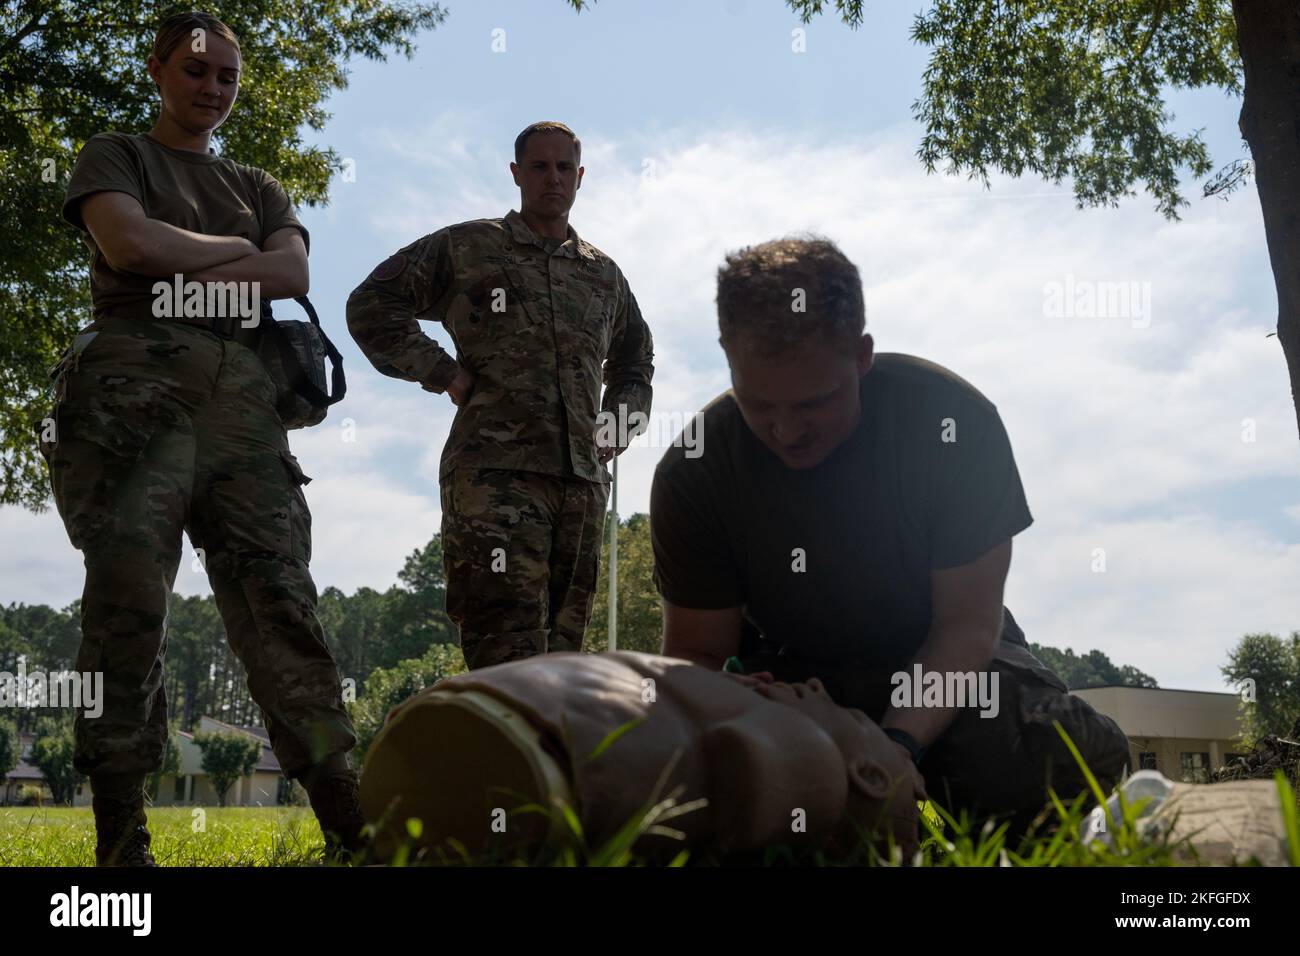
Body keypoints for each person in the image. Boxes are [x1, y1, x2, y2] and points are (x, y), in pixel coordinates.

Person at [650, 236, 1131, 837]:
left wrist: (897, 746)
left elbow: (965, 624)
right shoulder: (695, 470)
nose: (786, 430)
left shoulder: (952, 421)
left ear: (861, 356)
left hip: (941, 662)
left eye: (814, 403)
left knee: (1051, 759)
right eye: (759, 404)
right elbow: (696, 656)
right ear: (727, 358)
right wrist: (755, 714)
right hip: (796, 683)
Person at [43, 11, 363, 865]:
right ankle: (121, 838)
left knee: (281, 603)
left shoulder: (259, 184)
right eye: (196, 71)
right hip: (128, 402)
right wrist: (235, 256)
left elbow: (292, 273)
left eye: (227, 77)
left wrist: (181, 256)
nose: (212, 88)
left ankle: (350, 826)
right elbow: (126, 240)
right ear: (157, 70)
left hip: (244, 412)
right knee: (127, 605)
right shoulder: (116, 155)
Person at [347, 121, 654, 671]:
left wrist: (618, 424)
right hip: (495, 481)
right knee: (504, 657)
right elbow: (372, 303)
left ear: (580, 177)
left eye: (564, 168)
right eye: (539, 167)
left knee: (565, 666)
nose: (552, 179)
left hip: (581, 487)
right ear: (516, 174)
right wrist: (441, 371)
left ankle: (552, 759)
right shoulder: (469, 247)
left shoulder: (603, 275)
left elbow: (635, 362)